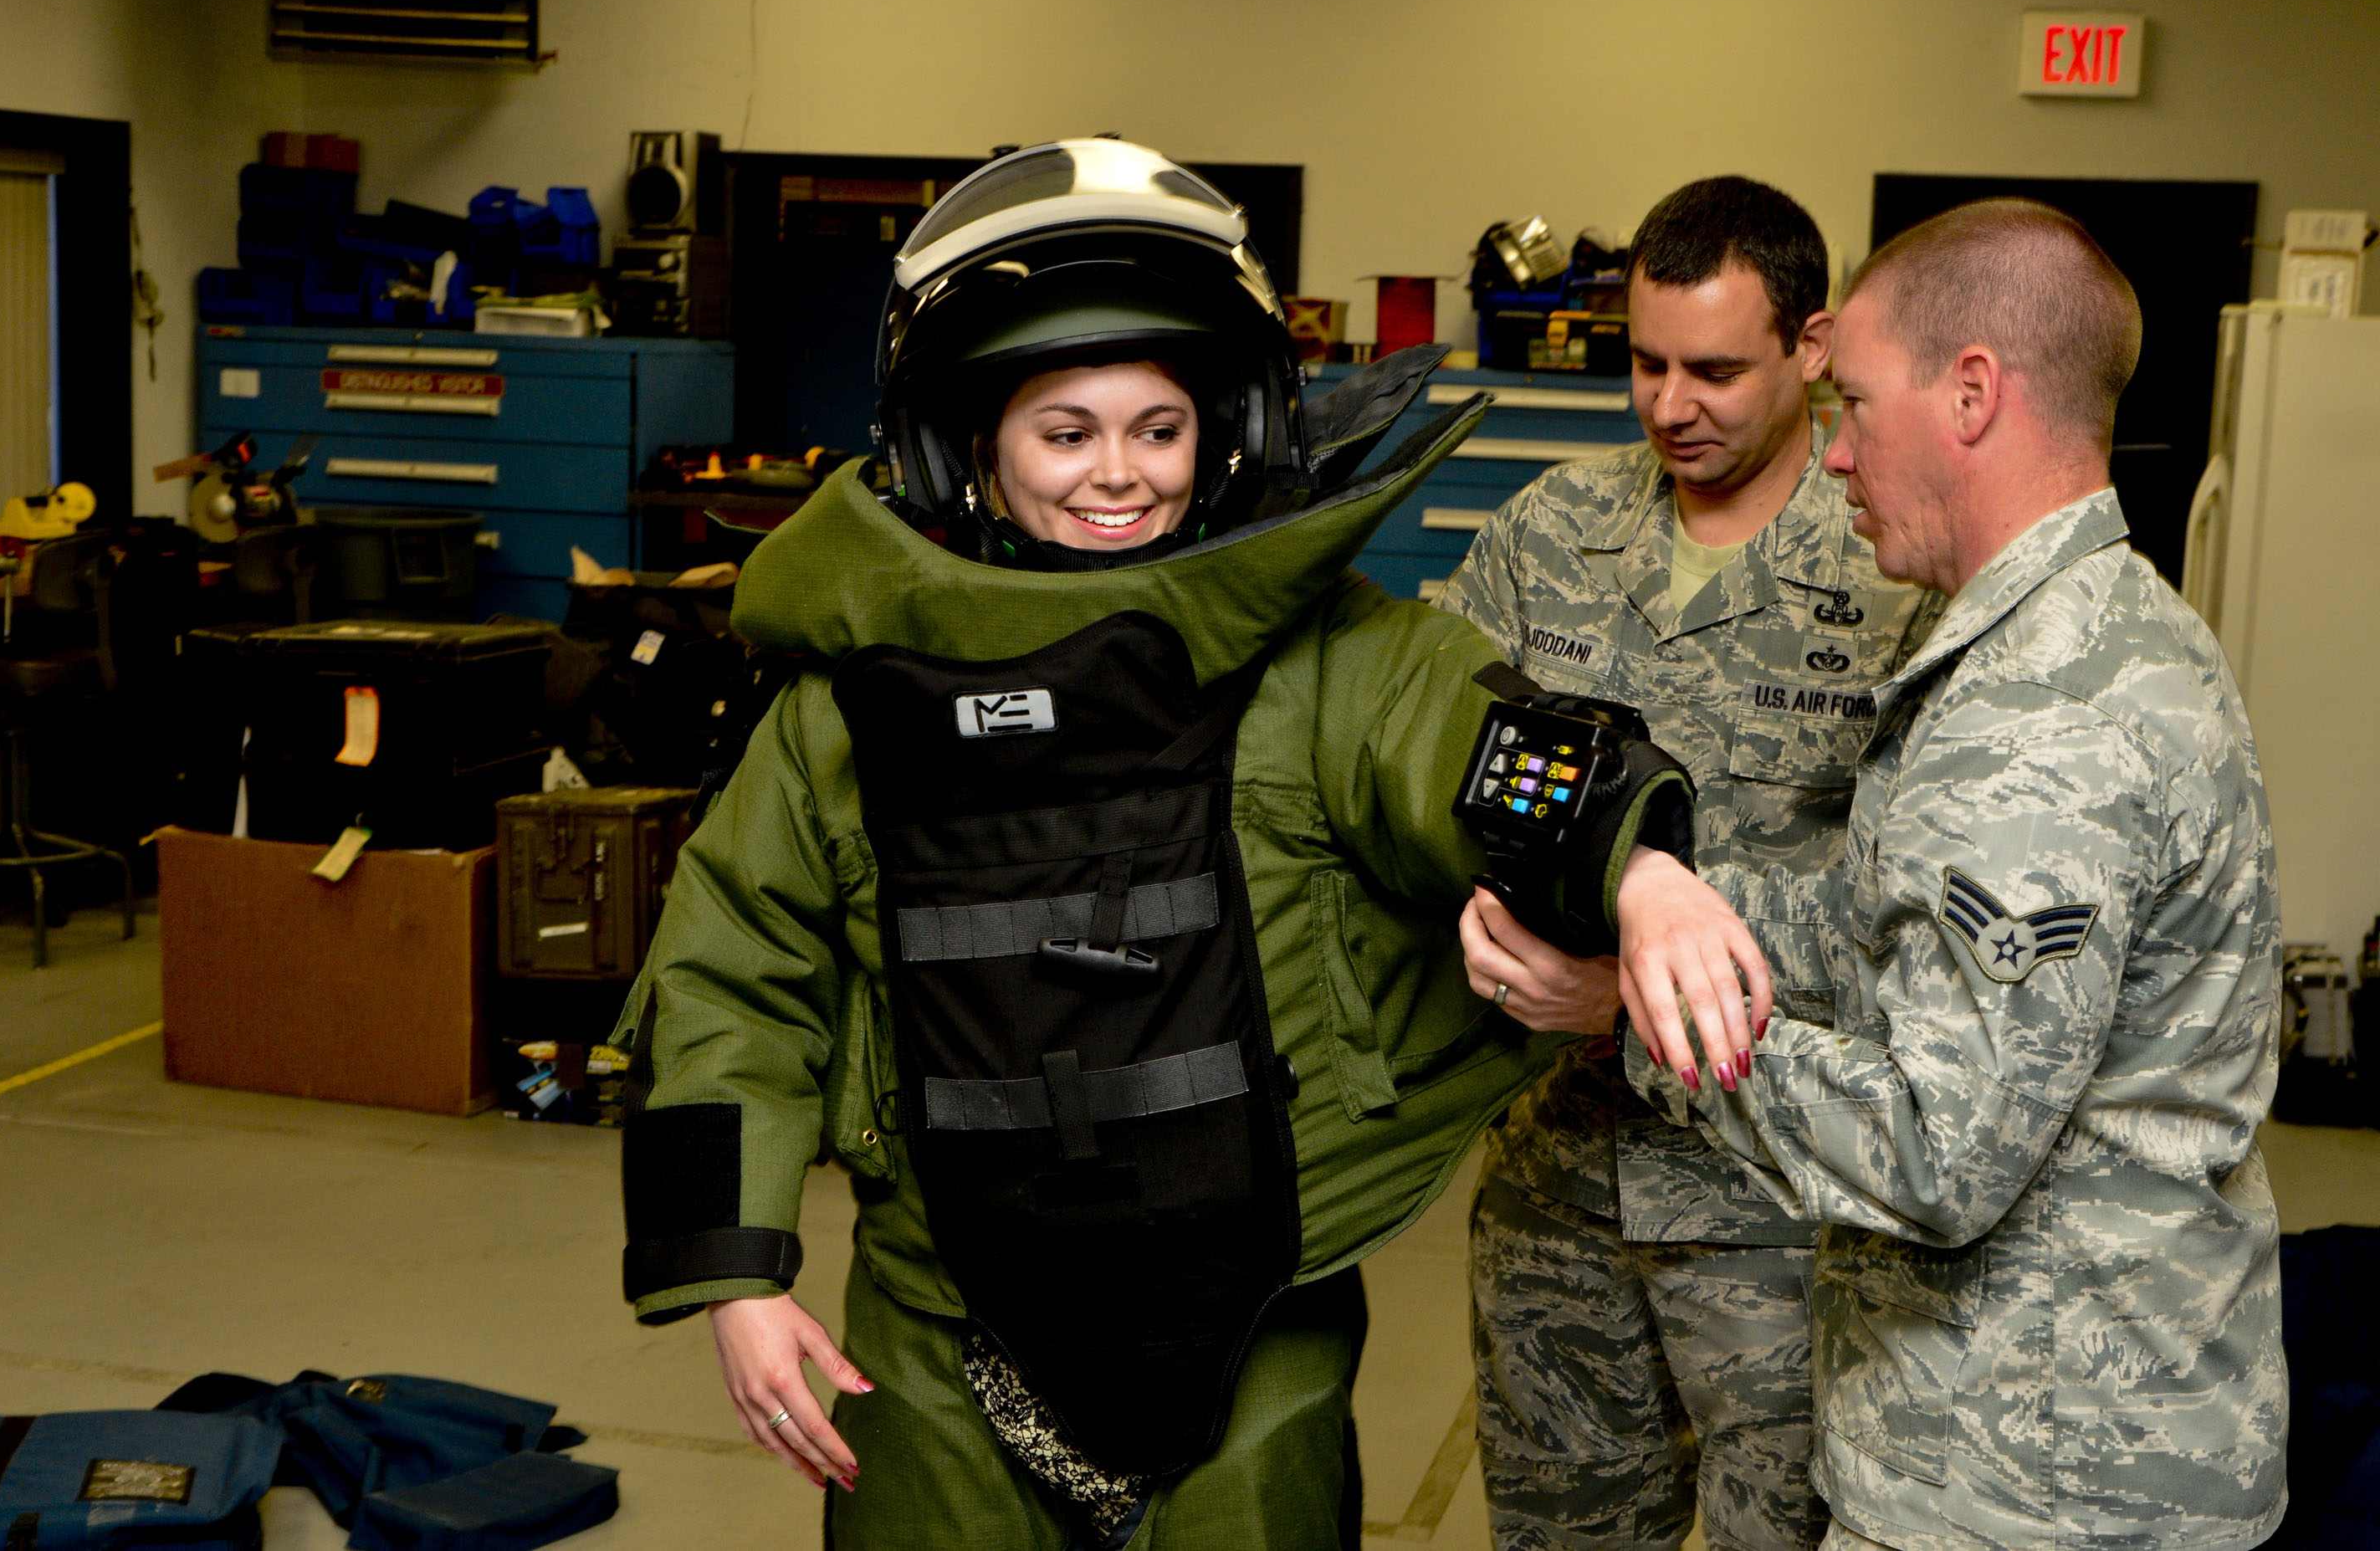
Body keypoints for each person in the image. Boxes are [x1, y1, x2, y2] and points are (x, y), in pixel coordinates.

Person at [607, 139, 1681, 1551]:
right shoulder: (846, 709)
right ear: (974, 441)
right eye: (1067, 432)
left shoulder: (1322, 658)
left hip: (1255, 1317)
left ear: (1218, 430)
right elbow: (728, 972)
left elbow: (1472, 746)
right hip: (935, 1323)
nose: (1119, 477)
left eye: (1158, 429)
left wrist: (1640, 866)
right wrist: (733, 1276)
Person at [1614, 199, 2289, 1549]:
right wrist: (1663, 901)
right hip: (2050, 1453)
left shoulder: (2045, 714)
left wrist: (1645, 1020)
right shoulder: (2083, 635)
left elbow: (1934, 1150)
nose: (1840, 453)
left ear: (1971, 392)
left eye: (1856, 403)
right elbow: (1887, 930)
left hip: (2032, 1489)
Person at [1438, 177, 1935, 1550]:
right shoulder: (1547, 536)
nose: (1670, 405)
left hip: (1780, 1204)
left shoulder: (1893, 563)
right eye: (1646, 364)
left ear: (1812, 349)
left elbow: (1913, 902)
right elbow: (1431, 758)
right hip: (1554, 1179)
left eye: (1715, 368)